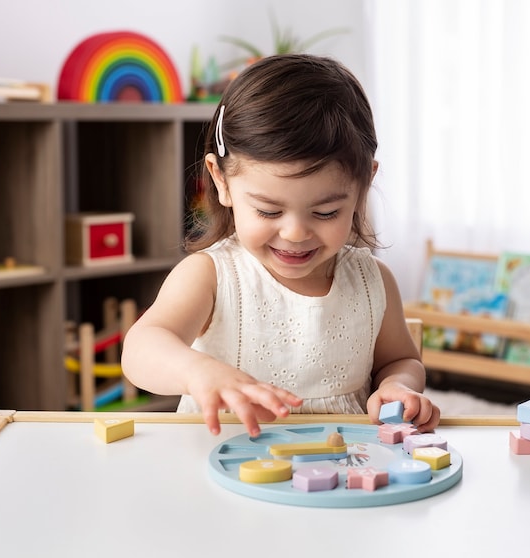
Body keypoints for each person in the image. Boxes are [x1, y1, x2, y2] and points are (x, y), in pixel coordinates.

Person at [121, 54, 440, 437]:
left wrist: (397, 386)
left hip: (343, 467)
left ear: (362, 188)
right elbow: (140, 349)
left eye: (325, 212)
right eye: (268, 211)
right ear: (221, 182)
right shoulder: (211, 276)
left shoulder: (372, 280)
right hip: (223, 465)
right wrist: (197, 371)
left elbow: (401, 359)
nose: (294, 233)